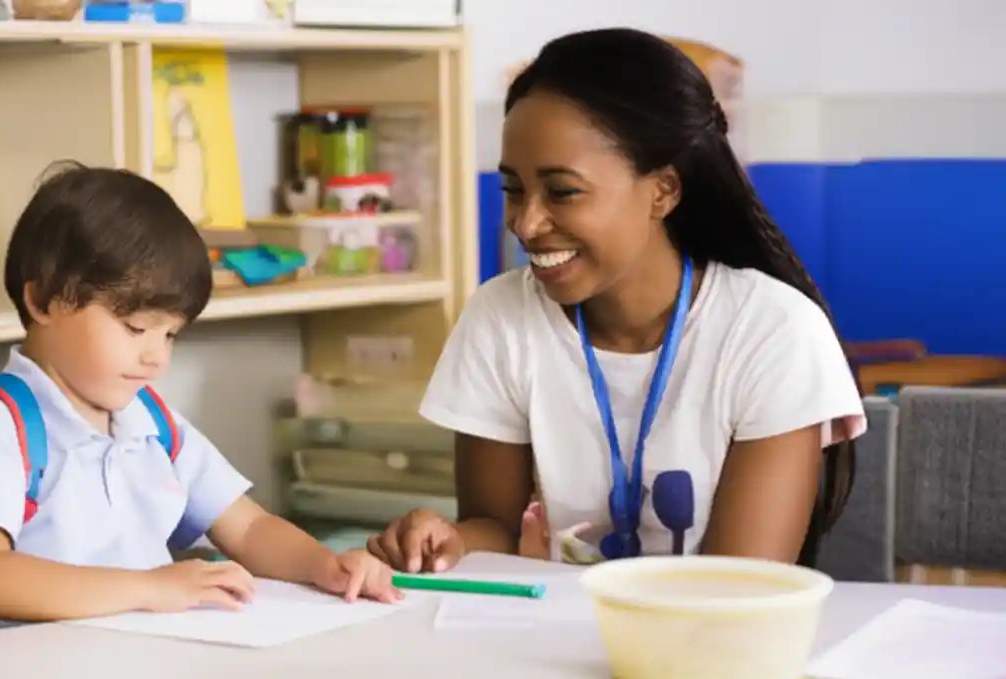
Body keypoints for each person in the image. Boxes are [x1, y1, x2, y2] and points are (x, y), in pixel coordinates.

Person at [367, 28, 865, 573]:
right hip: (554, 639)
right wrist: (451, 541)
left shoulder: (774, 330)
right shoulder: (500, 316)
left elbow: (738, 584)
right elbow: (497, 528)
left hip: (704, 645)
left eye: (563, 192)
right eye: (513, 189)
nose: (526, 224)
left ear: (664, 190)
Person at [0, 163, 400, 638]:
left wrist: (323, 565)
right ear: (43, 301)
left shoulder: (150, 423)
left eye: (169, 335)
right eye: (136, 328)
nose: (155, 358)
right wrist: (148, 587)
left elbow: (249, 529)